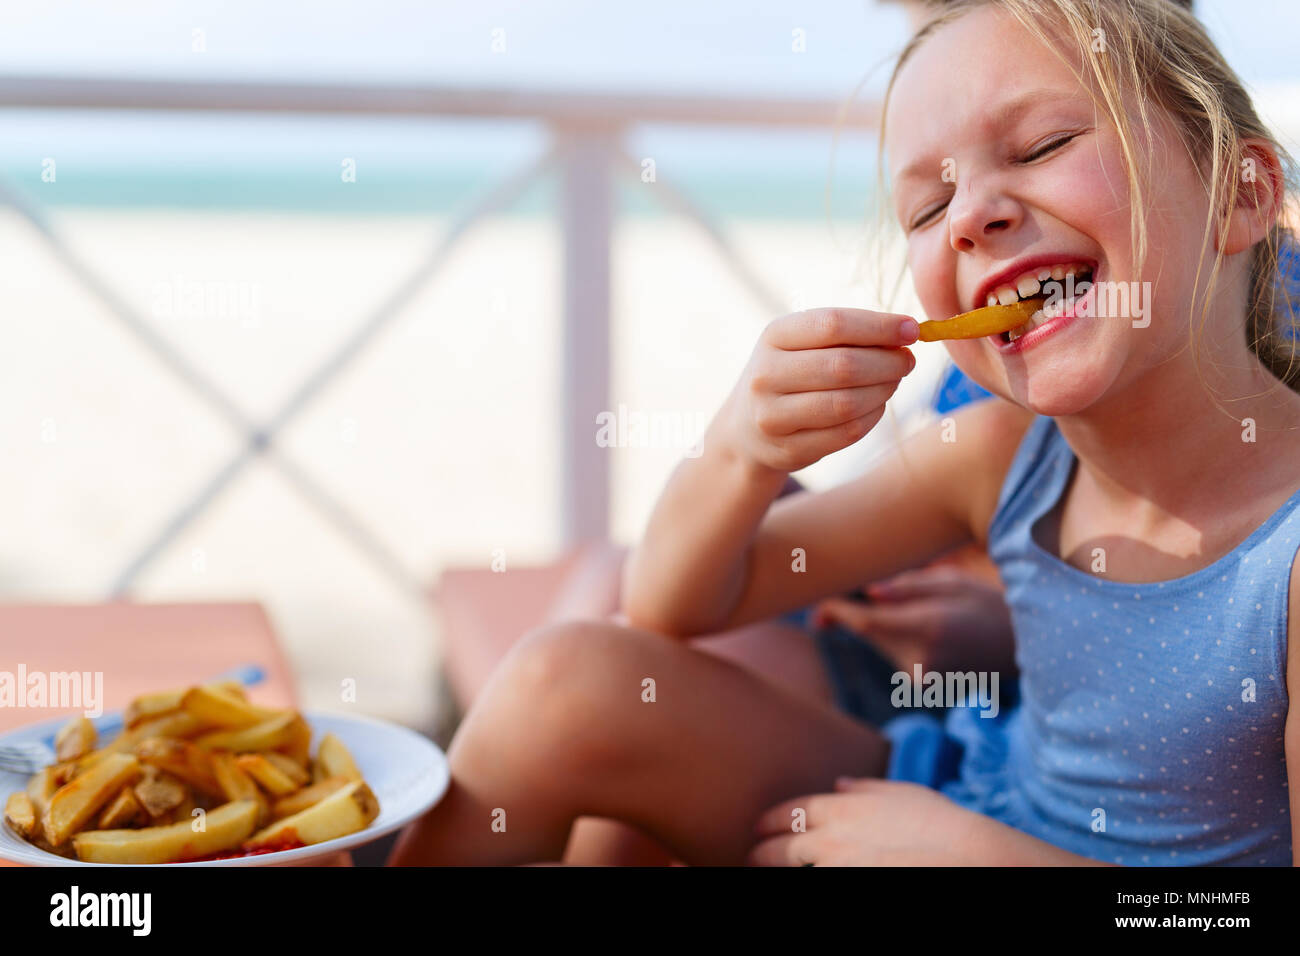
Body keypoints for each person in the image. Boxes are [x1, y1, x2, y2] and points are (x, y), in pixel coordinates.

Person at [392, 0, 1300, 865]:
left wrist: (985, 861)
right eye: (927, 210)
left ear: (1243, 194)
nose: (974, 217)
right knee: (566, 685)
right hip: (948, 803)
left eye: (1045, 144)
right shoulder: (1001, 455)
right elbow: (676, 603)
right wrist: (739, 451)